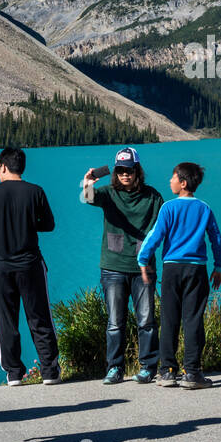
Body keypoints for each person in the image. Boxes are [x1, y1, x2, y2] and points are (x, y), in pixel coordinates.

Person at [0, 148, 60, 386]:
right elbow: (49, 225)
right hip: (31, 263)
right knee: (39, 316)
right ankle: (49, 370)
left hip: (2, 266)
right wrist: (28, 222)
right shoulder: (36, 192)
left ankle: (14, 373)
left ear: (3, 166)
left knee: (7, 319)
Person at [137, 162, 221, 389]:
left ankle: (167, 371)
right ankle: (192, 372)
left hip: (171, 269)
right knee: (193, 319)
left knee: (169, 319)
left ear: (183, 183)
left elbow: (155, 235)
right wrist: (219, 266)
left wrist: (143, 259)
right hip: (196, 269)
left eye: (173, 177)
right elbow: (216, 238)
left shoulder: (168, 208)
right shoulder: (204, 208)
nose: (170, 180)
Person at [80, 147, 164, 385]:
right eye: (120, 170)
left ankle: (148, 367)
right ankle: (114, 368)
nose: (125, 174)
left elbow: (164, 226)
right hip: (113, 267)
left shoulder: (153, 197)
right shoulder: (107, 193)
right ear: (115, 172)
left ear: (137, 171)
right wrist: (87, 182)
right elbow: (87, 198)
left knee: (146, 320)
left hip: (143, 268)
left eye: (129, 170)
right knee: (115, 322)